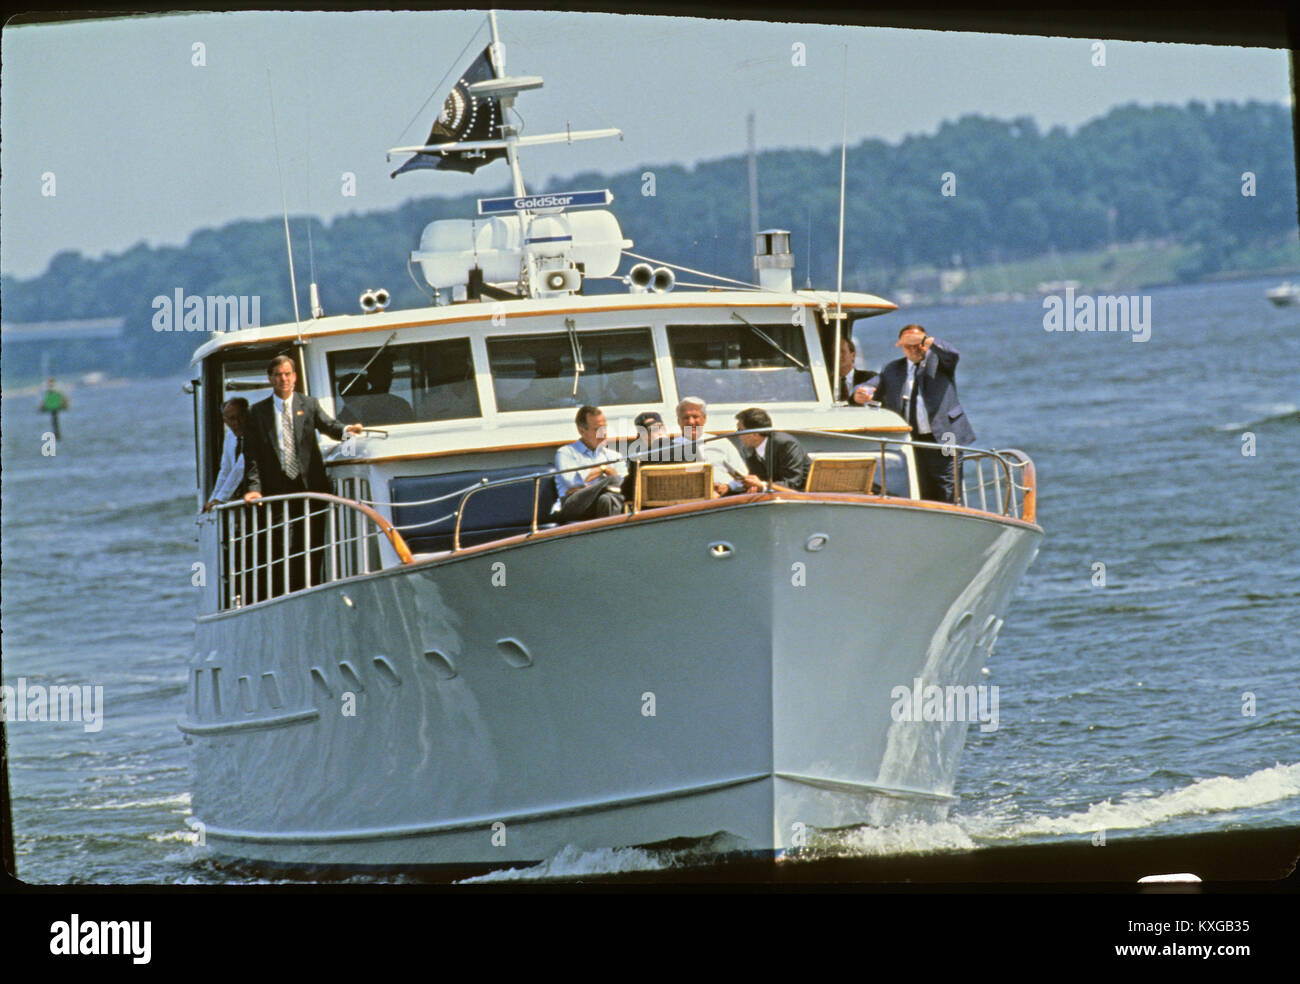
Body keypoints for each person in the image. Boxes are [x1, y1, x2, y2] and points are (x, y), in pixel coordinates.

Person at [243, 355, 364, 594]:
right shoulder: (257, 413)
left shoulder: (308, 404)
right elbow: (252, 456)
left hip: (310, 486)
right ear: (270, 379)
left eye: (287, 374)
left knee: (313, 543)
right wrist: (253, 488)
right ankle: (288, 592)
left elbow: (329, 425)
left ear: (295, 377)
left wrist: (347, 431)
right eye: (278, 375)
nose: (283, 379)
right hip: (278, 489)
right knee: (282, 544)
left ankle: (312, 589)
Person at [859, 324, 974, 503]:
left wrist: (927, 341)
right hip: (914, 439)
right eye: (908, 345)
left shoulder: (940, 362)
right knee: (922, 485)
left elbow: (952, 353)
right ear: (900, 346)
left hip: (946, 434)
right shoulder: (892, 369)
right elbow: (873, 386)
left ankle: (953, 518)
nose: (914, 349)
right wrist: (860, 392)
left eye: (917, 344)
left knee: (949, 483)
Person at [554, 405, 626, 522]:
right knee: (612, 481)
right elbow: (572, 483)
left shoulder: (614, 456)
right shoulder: (566, 453)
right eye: (597, 429)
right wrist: (604, 469)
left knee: (607, 499)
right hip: (574, 505)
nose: (603, 434)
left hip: (604, 503)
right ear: (582, 431)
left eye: (604, 429)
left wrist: (587, 485)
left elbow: (624, 485)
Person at [672, 397, 752, 497]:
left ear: (704, 418)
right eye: (686, 418)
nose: (691, 422)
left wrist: (728, 487)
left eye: (695, 416)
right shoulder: (670, 449)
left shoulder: (721, 443)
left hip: (724, 500)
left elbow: (745, 478)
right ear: (678, 421)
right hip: (686, 503)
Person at [734, 407, 811, 491]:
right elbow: (759, 479)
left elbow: (792, 483)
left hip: (803, 496)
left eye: (740, 430)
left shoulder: (786, 445)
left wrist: (762, 485)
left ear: (755, 434)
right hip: (773, 495)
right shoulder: (748, 449)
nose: (738, 434)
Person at [204, 398, 249, 511]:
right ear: (225, 421)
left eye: (240, 417)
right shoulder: (230, 436)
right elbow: (225, 470)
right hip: (239, 497)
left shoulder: (255, 432)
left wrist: (220, 499)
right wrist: (213, 499)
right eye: (231, 419)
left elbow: (241, 466)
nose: (236, 423)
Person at [621, 410, 677, 501]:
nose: (660, 432)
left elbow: (629, 492)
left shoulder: (638, 459)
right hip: (688, 506)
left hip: (652, 508)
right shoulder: (688, 450)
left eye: (661, 428)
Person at [837, 336, 877, 405]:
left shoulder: (869, 378)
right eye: (835, 352)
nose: (838, 355)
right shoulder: (825, 382)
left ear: (853, 355)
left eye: (842, 351)